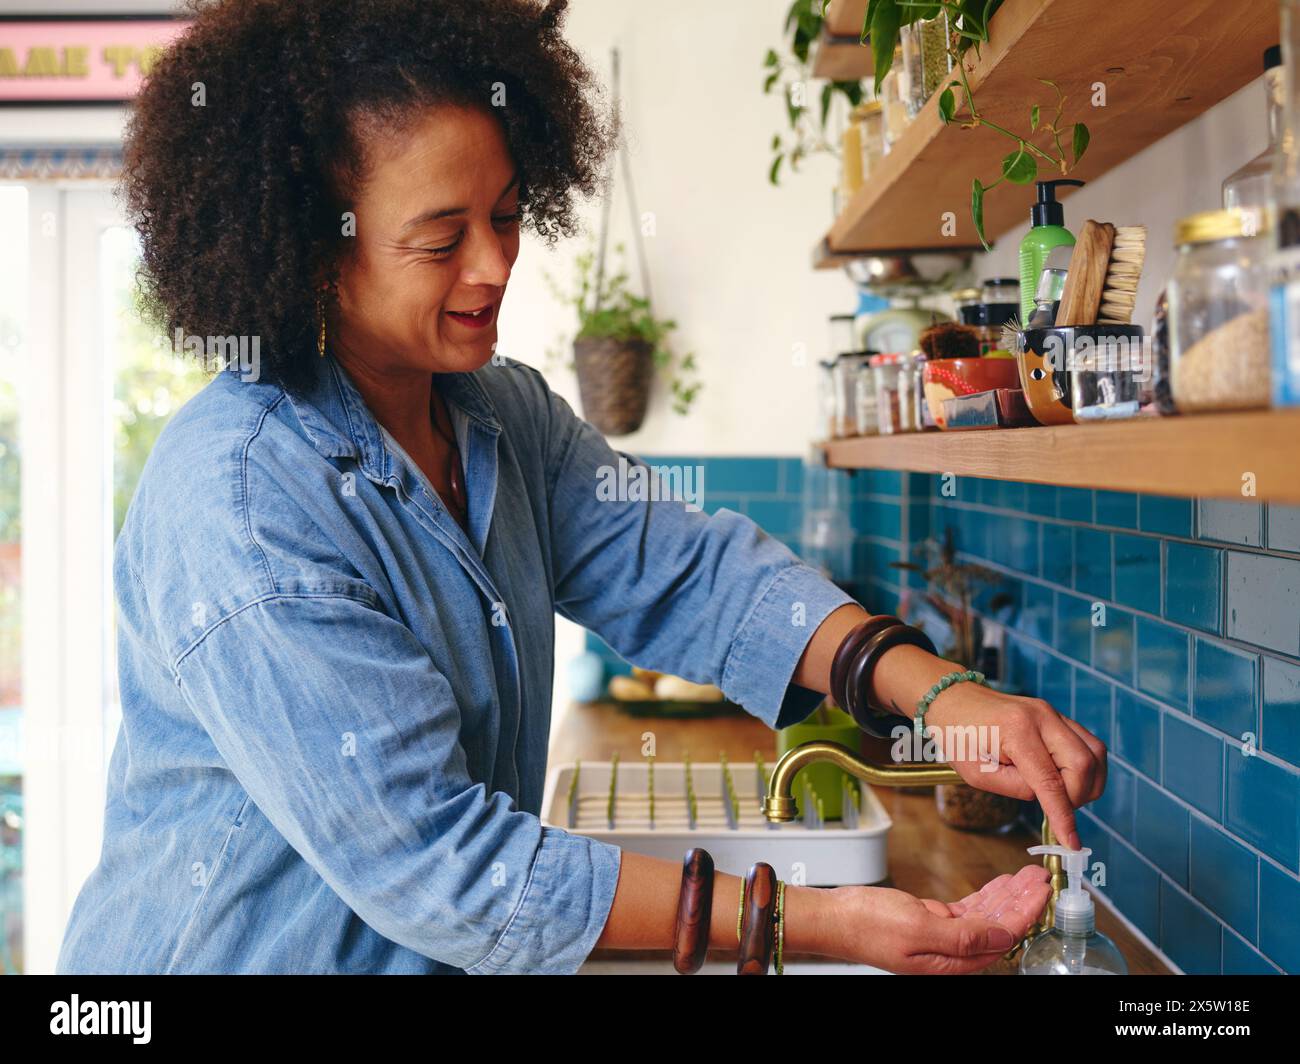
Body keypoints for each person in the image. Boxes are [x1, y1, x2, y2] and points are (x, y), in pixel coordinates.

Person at [57, 0, 1103, 975]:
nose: (492, 267)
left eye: (507, 216)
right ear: (308, 252)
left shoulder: (497, 414)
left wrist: (942, 693)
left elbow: (690, 573)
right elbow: (446, 865)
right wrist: (821, 921)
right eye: (439, 240)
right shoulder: (244, 502)